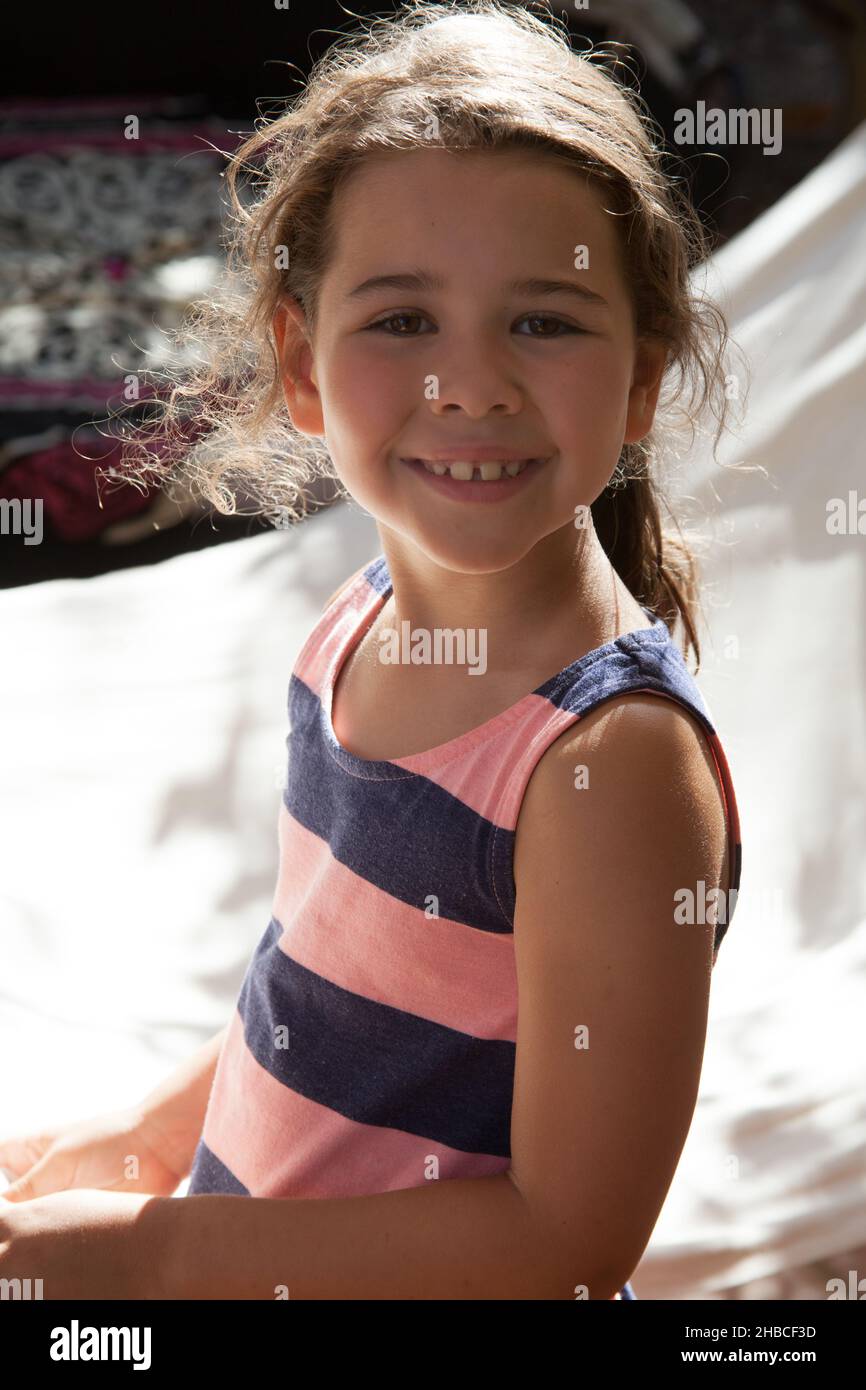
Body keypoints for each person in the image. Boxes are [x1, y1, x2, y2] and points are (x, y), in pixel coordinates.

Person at [0, 0, 743, 1299]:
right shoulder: (357, 618)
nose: (469, 386)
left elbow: (565, 1244)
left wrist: (153, 1255)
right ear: (299, 362)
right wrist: (154, 1138)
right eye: (402, 321)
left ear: (640, 375)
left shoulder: (606, 768)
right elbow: (320, 964)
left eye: (546, 320)